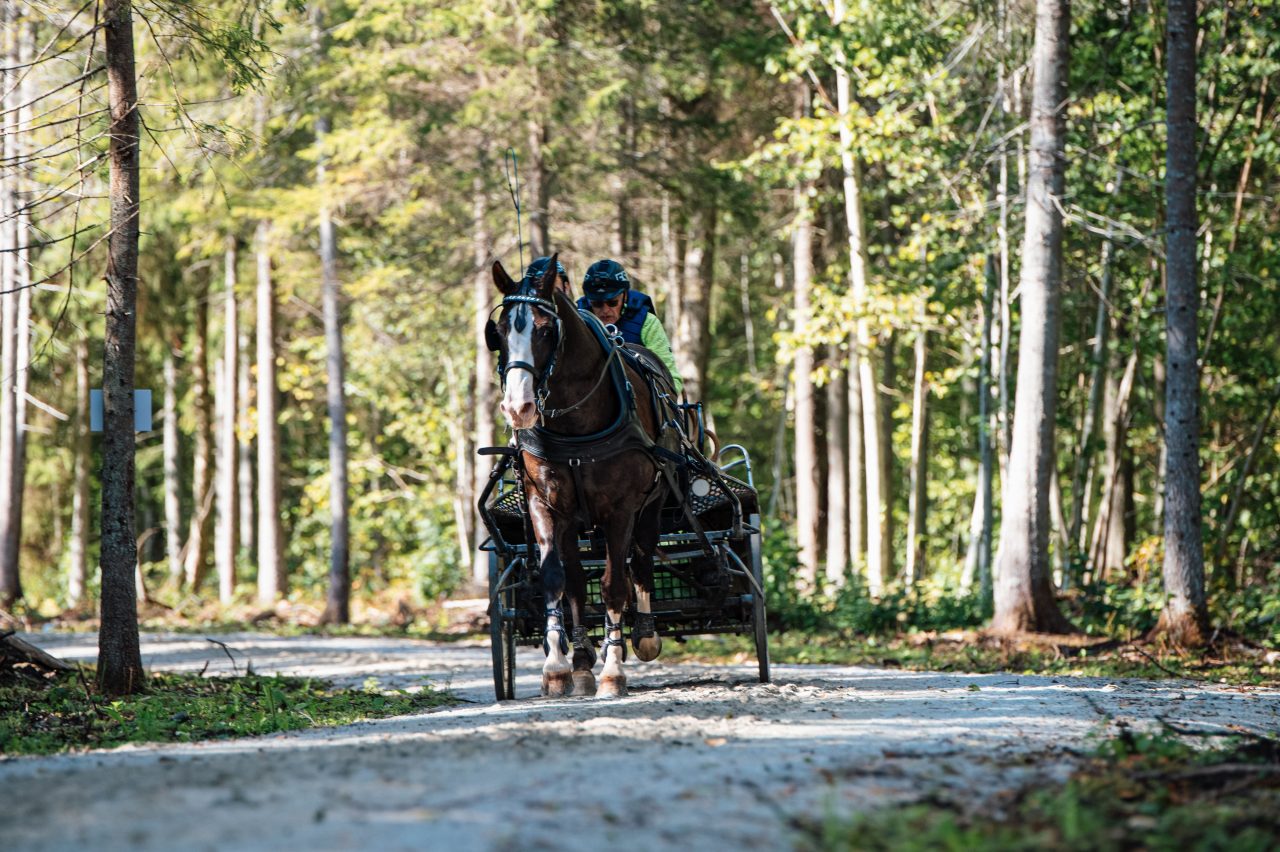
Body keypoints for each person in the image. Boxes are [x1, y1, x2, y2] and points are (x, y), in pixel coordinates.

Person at [577, 259, 683, 395]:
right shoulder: (578, 321)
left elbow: (672, 379)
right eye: (597, 304)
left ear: (625, 296)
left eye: (612, 302)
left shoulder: (647, 322)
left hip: (639, 399)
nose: (605, 310)